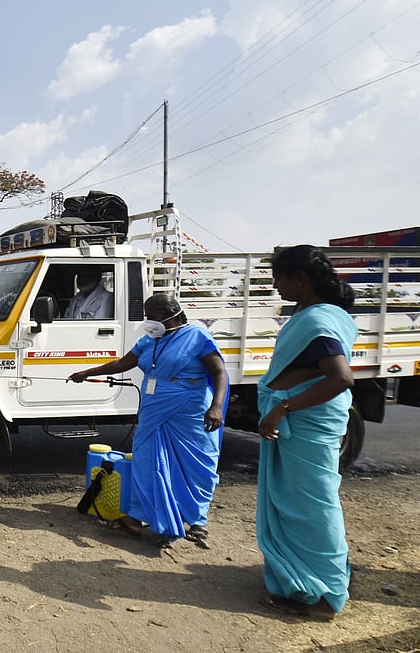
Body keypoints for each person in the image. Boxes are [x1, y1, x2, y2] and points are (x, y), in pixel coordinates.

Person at [69, 293, 228, 547]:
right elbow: (123, 363)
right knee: (146, 461)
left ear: (169, 316)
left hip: (190, 409)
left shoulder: (197, 336)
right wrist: (88, 372)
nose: (147, 321)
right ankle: (138, 517)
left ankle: (197, 521)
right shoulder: (149, 339)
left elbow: (219, 372)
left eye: (151, 316)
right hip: (155, 408)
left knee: (195, 464)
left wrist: (216, 406)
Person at [256, 245, 356, 620]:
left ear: (302, 280)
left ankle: (326, 595)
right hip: (299, 419)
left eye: (280, 279)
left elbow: (340, 377)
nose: (276, 285)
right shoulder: (317, 315)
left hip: (305, 422)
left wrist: (282, 408)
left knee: (312, 507)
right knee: (295, 504)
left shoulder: (318, 321)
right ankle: (298, 578)